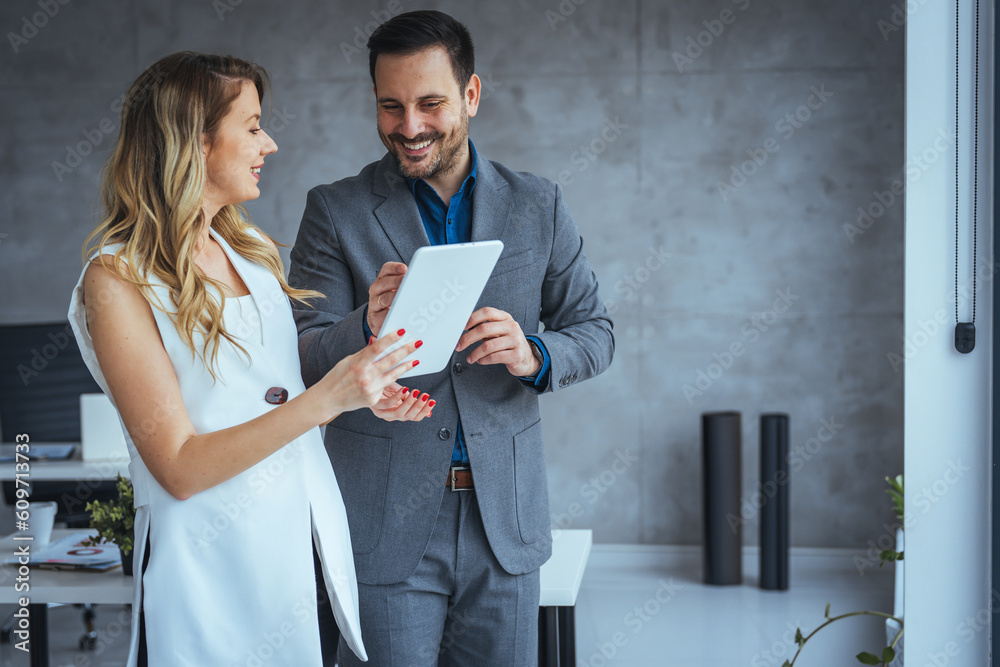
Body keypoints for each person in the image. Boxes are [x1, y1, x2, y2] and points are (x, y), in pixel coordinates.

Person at [67, 51, 435, 666]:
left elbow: (271, 389)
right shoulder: (116, 279)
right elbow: (179, 468)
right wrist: (326, 400)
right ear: (195, 140)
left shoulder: (249, 250)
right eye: (253, 125)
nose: (270, 142)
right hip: (210, 572)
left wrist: (364, 385)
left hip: (306, 542)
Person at [288, 10, 614, 665]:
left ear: (471, 95)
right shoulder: (335, 209)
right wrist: (365, 326)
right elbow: (304, 351)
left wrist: (534, 353)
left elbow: (595, 332)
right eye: (391, 106)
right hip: (384, 521)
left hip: (505, 521)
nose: (409, 127)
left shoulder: (538, 204)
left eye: (430, 103)